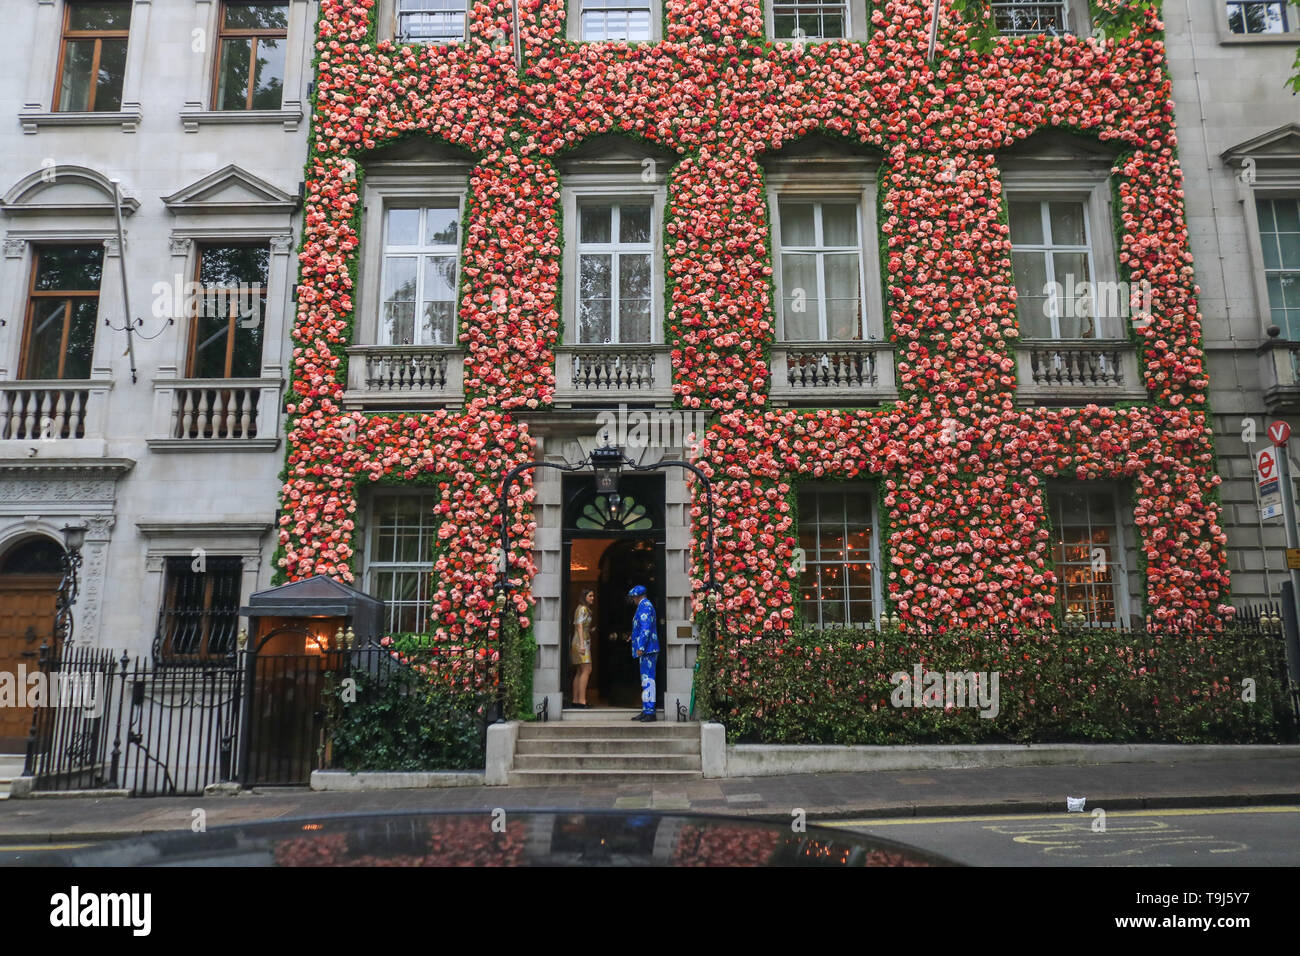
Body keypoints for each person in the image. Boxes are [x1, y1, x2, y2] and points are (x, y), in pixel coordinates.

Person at [627, 585, 658, 722]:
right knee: (646, 680)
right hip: (648, 648)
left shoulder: (645, 606)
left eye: (633, 597)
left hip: (648, 649)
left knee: (648, 679)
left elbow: (646, 628)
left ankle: (650, 711)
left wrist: (640, 646)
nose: (632, 600)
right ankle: (646, 709)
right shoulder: (645, 605)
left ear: (637, 596)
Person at [570, 588, 595, 708]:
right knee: (586, 670)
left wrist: (590, 630)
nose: (592, 598)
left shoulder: (580, 608)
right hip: (581, 642)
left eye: (593, 596)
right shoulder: (583, 609)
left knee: (580, 671)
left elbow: (582, 626)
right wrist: (581, 644)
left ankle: (576, 700)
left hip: (580, 640)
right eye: (590, 596)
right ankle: (581, 700)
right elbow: (579, 626)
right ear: (584, 597)